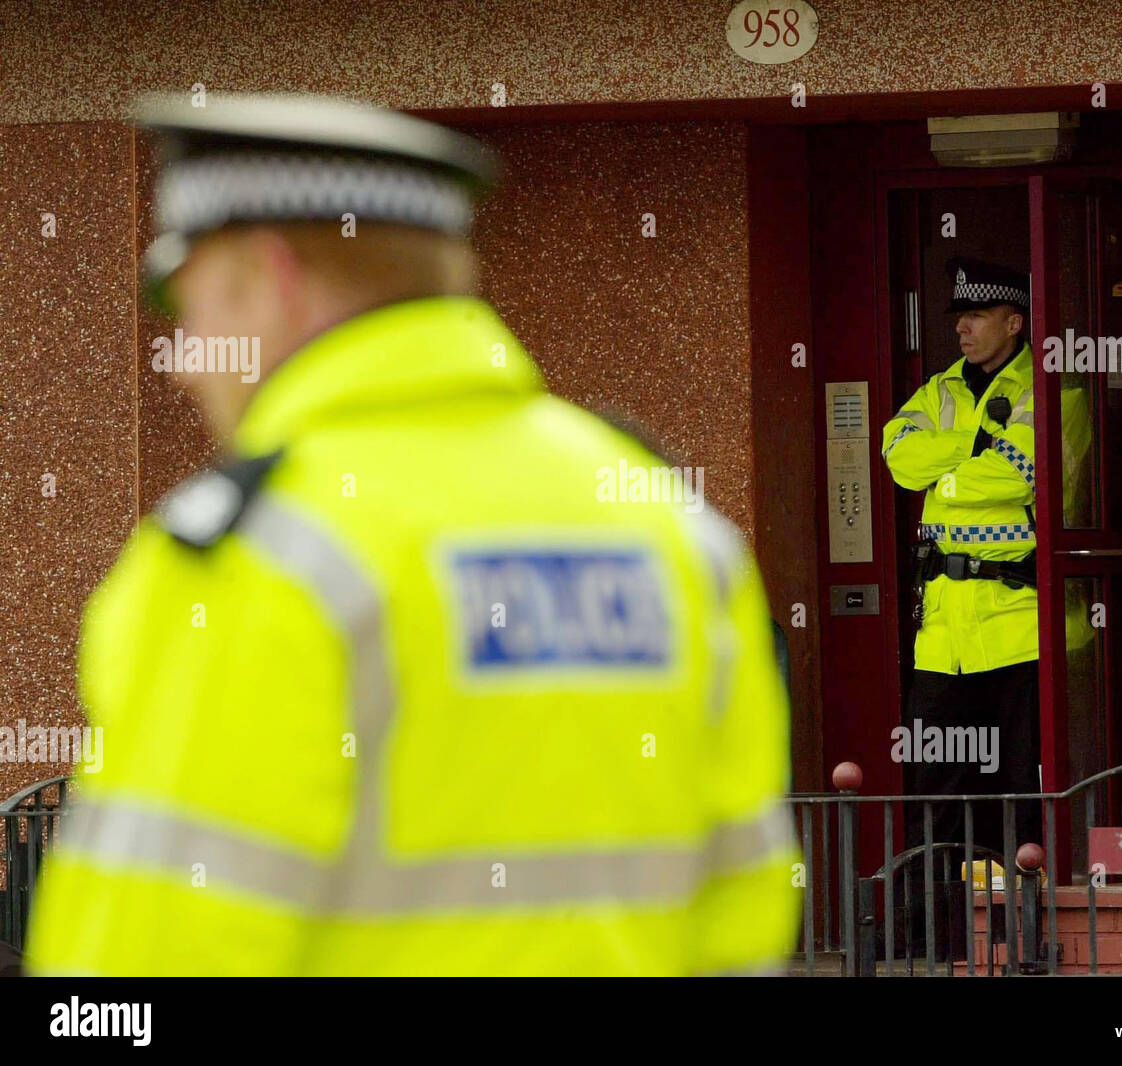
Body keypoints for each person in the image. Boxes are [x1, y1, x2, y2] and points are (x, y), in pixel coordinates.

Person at [25, 93, 798, 976]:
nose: (184, 360)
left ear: (275, 277)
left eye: (191, 309)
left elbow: (145, 962)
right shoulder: (671, 528)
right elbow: (743, 914)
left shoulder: (256, 558)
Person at [882, 257, 1043, 864]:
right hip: (941, 636)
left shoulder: (1046, 388)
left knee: (1019, 787)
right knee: (936, 787)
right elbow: (898, 456)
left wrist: (943, 475)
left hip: (1013, 628)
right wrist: (971, 447)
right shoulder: (942, 387)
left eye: (976, 315)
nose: (962, 328)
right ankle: (937, 932)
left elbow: (1018, 473)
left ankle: (1021, 930)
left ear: (1014, 322)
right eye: (959, 317)